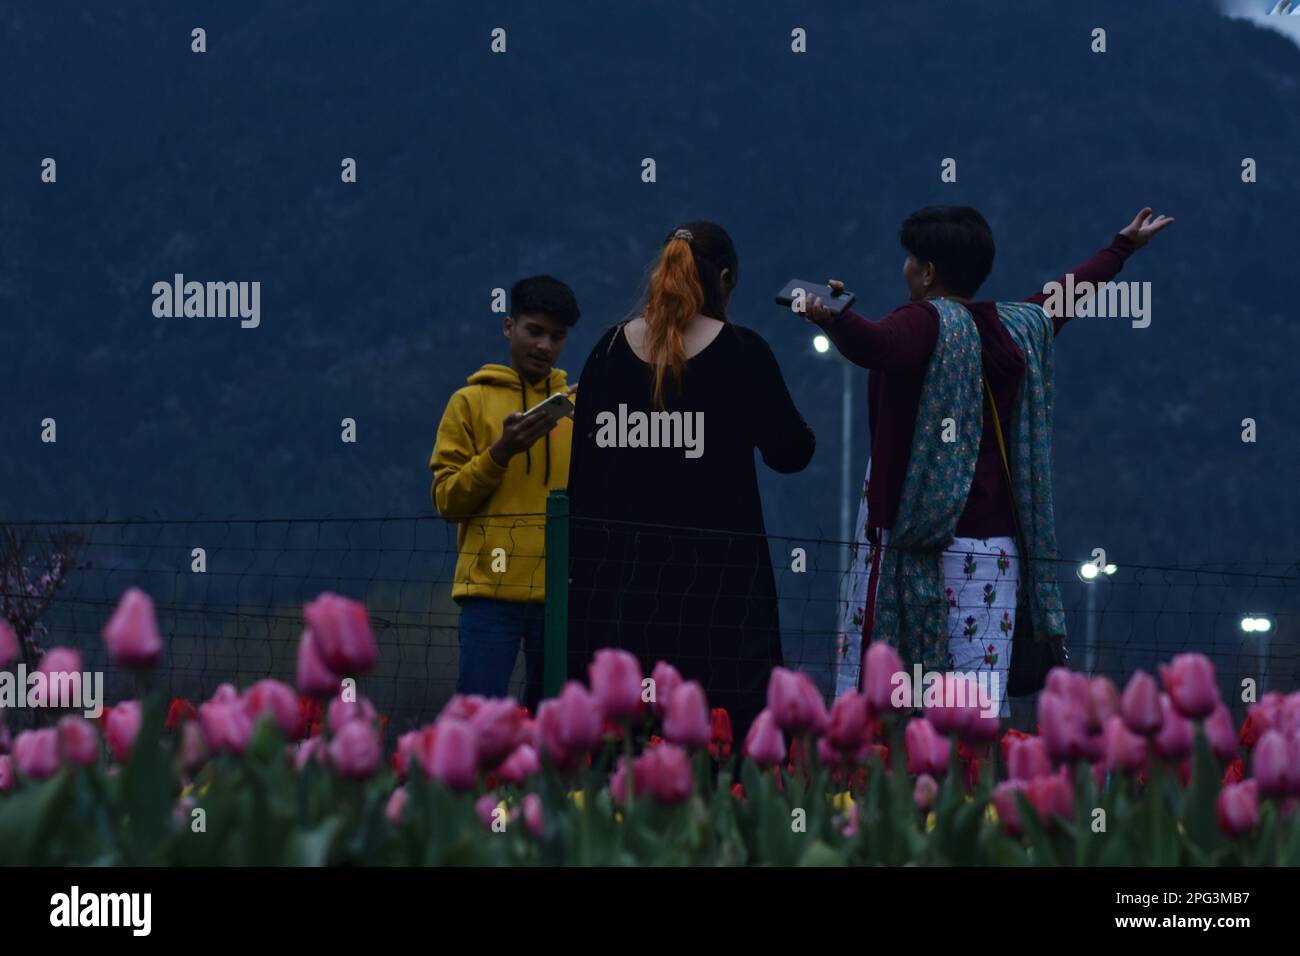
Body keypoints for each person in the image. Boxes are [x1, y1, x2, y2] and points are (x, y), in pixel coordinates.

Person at [805, 206, 1174, 712]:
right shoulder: (1016, 328)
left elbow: (877, 345)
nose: (906, 268)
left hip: (922, 551)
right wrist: (1121, 248)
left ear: (929, 271)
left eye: (911, 259)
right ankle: (969, 788)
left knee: (900, 707)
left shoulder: (924, 321)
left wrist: (836, 319)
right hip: (994, 557)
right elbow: (1066, 295)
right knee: (971, 710)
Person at [565, 221, 816, 740]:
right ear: (724, 278)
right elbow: (791, 452)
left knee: (630, 744)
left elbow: (583, 483)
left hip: (623, 590)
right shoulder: (744, 353)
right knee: (724, 738)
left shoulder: (607, 352)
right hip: (723, 595)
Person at [430, 275, 580, 714]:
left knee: (554, 737)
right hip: (488, 598)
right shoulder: (468, 403)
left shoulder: (578, 410)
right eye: (535, 331)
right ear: (509, 326)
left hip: (560, 598)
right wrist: (501, 452)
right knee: (477, 729)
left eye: (557, 336)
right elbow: (446, 501)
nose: (545, 346)